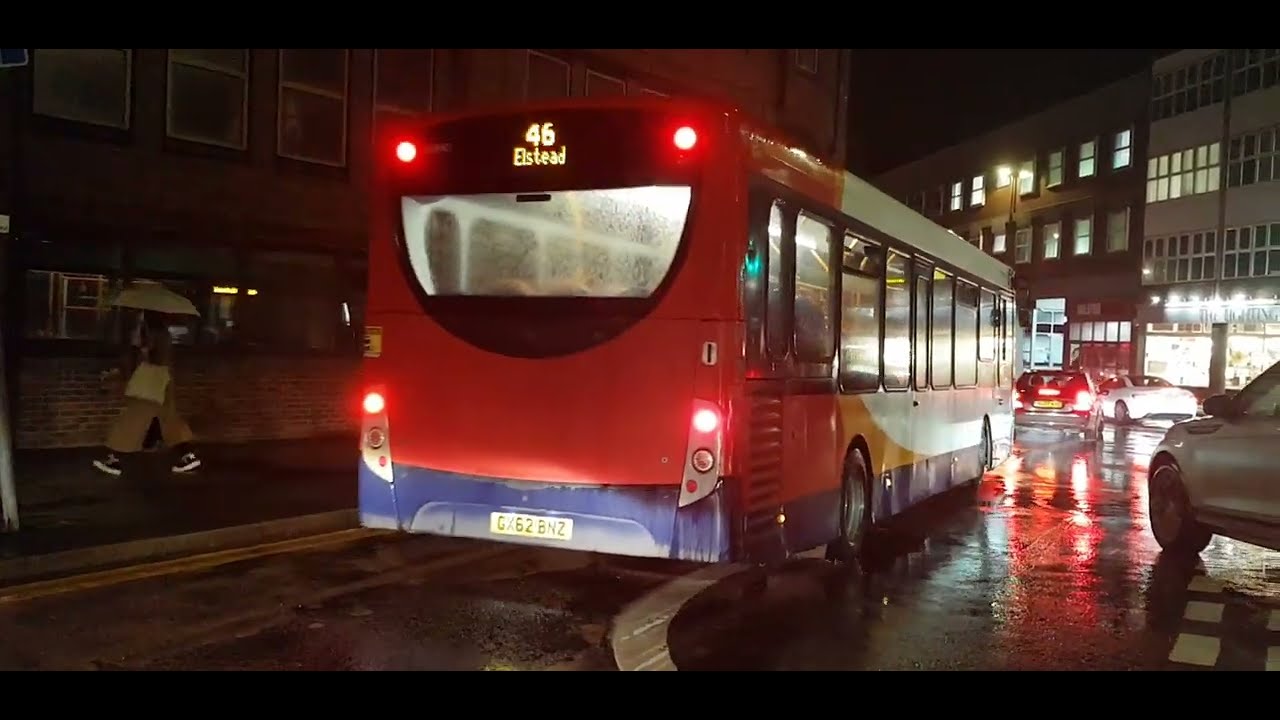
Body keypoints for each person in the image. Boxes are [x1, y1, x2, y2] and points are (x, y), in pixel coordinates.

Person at [93, 311, 202, 476]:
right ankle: (188, 456)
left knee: (132, 420)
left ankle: (114, 459)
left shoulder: (153, 335)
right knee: (170, 420)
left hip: (150, 382)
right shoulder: (160, 333)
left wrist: (140, 347)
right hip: (162, 381)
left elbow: (151, 357)